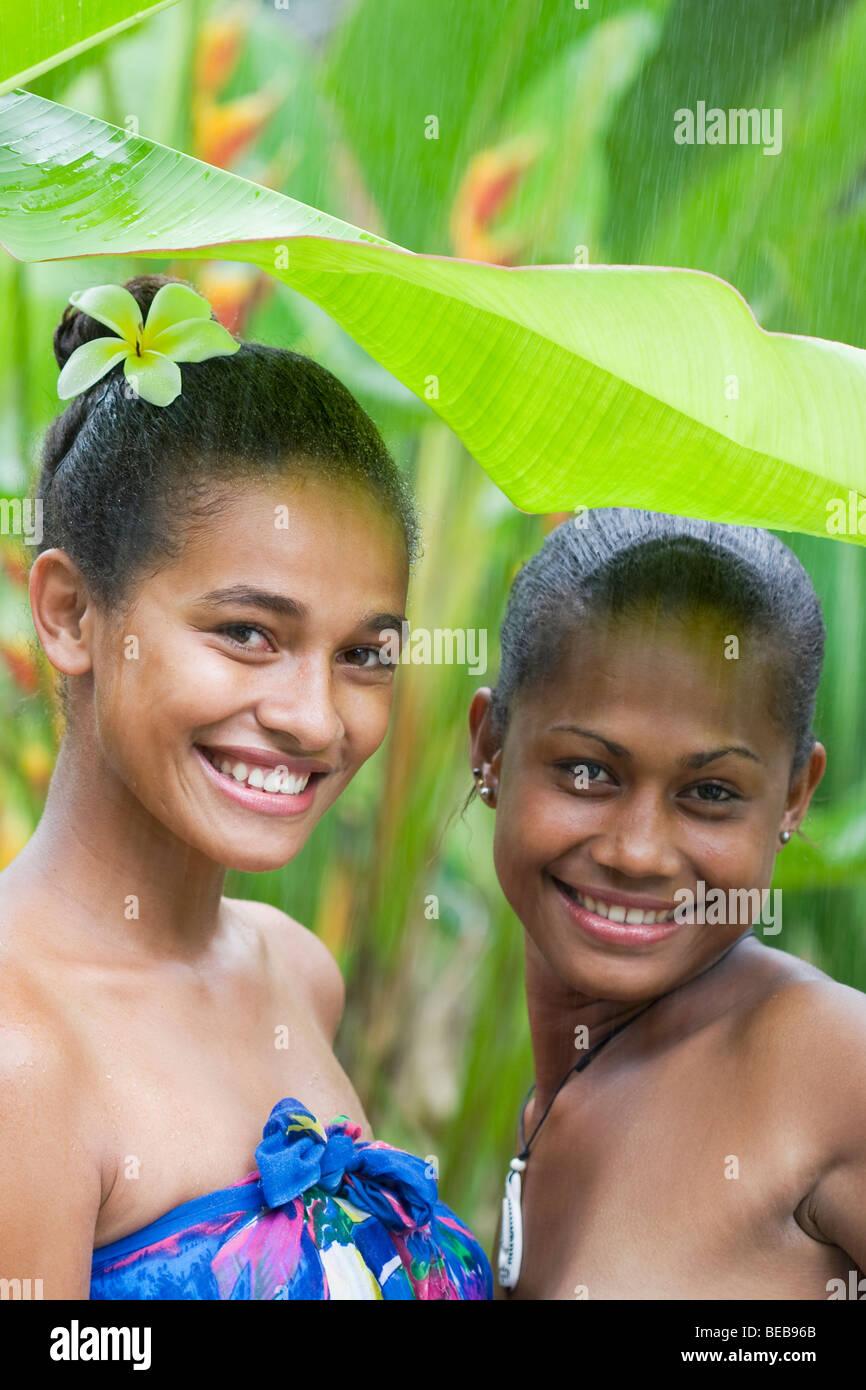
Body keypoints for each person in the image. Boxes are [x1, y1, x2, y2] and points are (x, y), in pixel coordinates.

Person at [0, 273, 492, 1301]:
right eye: (247, 634)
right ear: (70, 614)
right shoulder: (20, 1053)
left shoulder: (295, 970)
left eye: (364, 653)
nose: (316, 716)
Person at [468, 508, 866, 1300]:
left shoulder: (828, 1063)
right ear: (490, 751)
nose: (637, 851)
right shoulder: (560, 1099)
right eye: (588, 772)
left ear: (793, 797)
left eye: (711, 792)